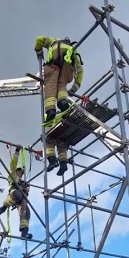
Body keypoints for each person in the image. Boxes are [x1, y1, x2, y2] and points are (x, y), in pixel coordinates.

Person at [33, 35, 84, 176]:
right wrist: (74, 89)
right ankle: (62, 101)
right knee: (62, 86)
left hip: (53, 65)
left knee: (50, 86)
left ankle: (52, 161)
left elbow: (38, 39)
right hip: (68, 66)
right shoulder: (74, 52)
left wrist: (39, 53)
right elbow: (80, 72)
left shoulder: (52, 42)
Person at [0, 145, 31, 239]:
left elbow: (26, 194)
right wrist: (17, 151)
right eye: (19, 171)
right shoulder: (13, 176)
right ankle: (3, 207)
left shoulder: (23, 182)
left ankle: (24, 232)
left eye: (21, 172)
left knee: (27, 213)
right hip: (14, 193)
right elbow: (13, 164)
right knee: (17, 194)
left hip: (21, 199)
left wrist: (26, 190)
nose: (20, 173)